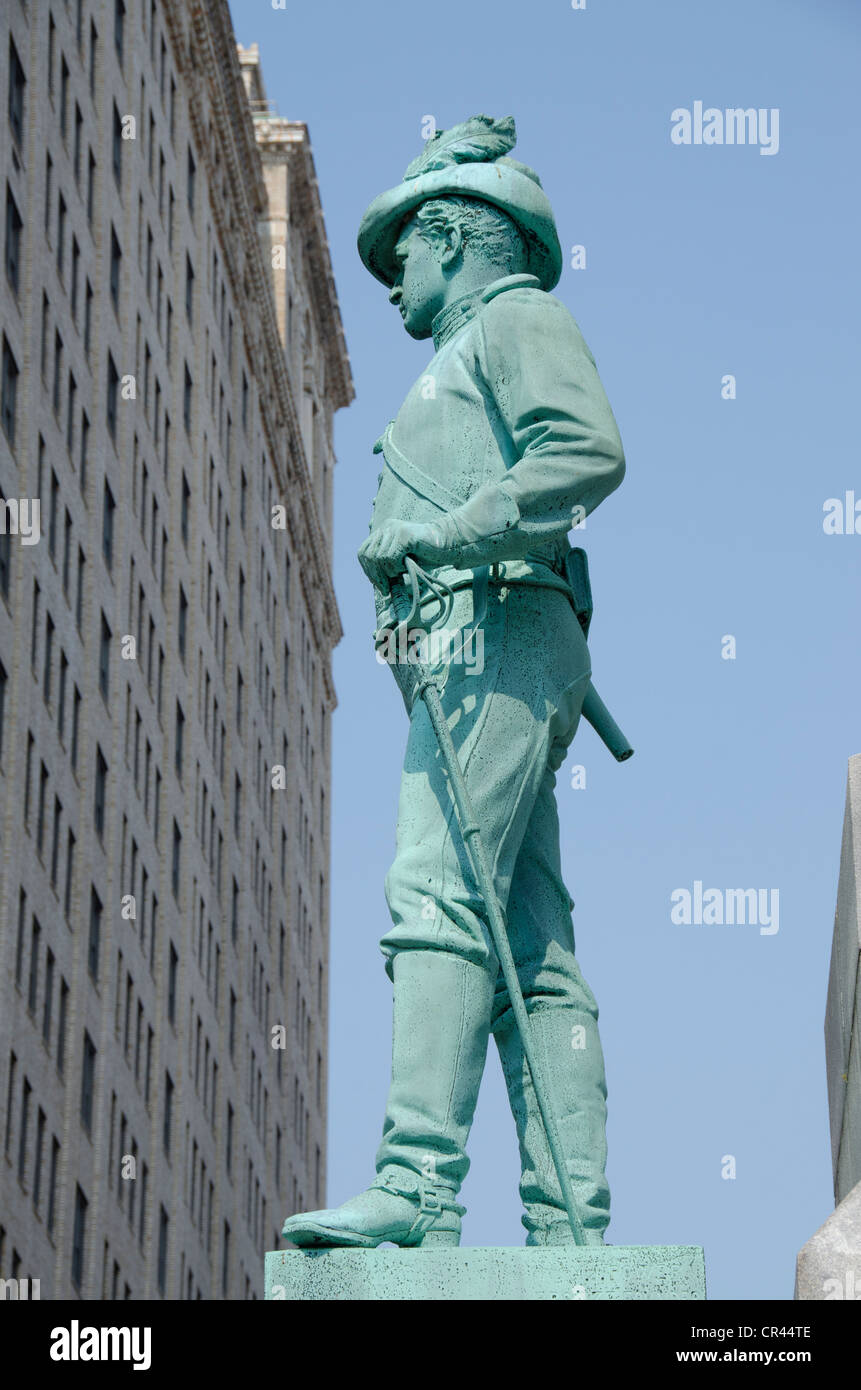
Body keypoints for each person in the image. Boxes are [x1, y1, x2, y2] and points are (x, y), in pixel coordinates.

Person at [282, 115, 626, 1250]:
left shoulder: (517, 318)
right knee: (533, 943)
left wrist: (457, 536)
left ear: (454, 235)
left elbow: (584, 454)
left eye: (403, 259)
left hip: (501, 630)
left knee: (434, 891)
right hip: (467, 651)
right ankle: (571, 1222)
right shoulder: (459, 355)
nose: (392, 284)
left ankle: (415, 1187)